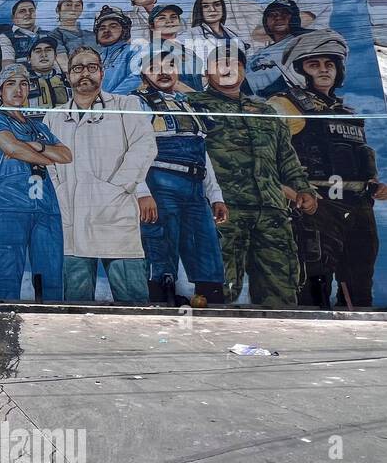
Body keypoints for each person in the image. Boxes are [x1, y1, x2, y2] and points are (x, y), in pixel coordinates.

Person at [187, 47, 316, 306]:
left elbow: (286, 158)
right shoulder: (193, 107)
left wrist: (302, 189)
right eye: (220, 63)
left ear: (244, 72)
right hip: (222, 210)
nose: (228, 68)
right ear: (206, 72)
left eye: (235, 64)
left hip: (271, 211)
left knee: (280, 287)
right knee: (219, 289)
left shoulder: (265, 111)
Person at [269, 30, 387, 308]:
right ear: (298, 70)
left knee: (360, 280)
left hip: (358, 205)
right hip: (315, 205)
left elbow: (360, 157)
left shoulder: (345, 111)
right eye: (314, 65)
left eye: (329, 64)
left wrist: (375, 184)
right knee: (315, 280)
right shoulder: (284, 105)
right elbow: (266, 159)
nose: (324, 70)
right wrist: (294, 196)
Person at [45, 46, 157, 303]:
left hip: (116, 213)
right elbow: (48, 162)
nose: (85, 73)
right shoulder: (54, 117)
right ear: (68, 76)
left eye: (91, 67)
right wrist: (60, 191)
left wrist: (117, 189)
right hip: (71, 215)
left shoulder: (126, 105)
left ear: (102, 72)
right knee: (75, 303)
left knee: (132, 302)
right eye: (77, 68)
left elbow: (144, 146)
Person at [132, 47, 228, 304]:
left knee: (206, 251)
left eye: (169, 66)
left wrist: (215, 194)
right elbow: (130, 151)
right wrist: (142, 192)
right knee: (161, 253)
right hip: (161, 184)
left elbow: (201, 150)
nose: (164, 72)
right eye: (155, 67)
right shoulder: (136, 104)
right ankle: (161, 308)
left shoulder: (188, 104)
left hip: (196, 189)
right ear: (143, 74)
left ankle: (212, 312)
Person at [0, 65, 71, 300]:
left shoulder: (38, 127)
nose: (18, 89)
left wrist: (37, 146)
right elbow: (11, 148)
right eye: (10, 84)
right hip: (10, 206)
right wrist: (46, 157)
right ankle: (2, 333)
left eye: (23, 84)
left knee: (52, 278)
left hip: (46, 207)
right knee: (7, 278)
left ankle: (51, 329)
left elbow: (66, 155)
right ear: (0, 91)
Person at [247, 0, 307, 97]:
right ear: (266, 21)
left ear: (294, 18)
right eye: (272, 15)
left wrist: (267, 94)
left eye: (284, 14)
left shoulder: (302, 42)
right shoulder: (260, 52)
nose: (278, 18)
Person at [184, 0, 247, 86]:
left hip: (238, 85)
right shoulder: (191, 34)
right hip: (211, 88)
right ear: (200, 10)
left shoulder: (233, 35)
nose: (212, 9)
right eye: (205, 6)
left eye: (217, 5)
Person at [93, 5, 145, 95]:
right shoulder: (95, 58)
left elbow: (135, 79)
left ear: (124, 30)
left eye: (113, 26)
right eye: (102, 28)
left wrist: (109, 101)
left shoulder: (134, 51)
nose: (106, 30)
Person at [25, 33, 70, 109]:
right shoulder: (21, 83)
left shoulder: (68, 81)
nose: (44, 55)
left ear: (55, 56)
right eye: (38, 51)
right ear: (29, 59)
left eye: (48, 50)